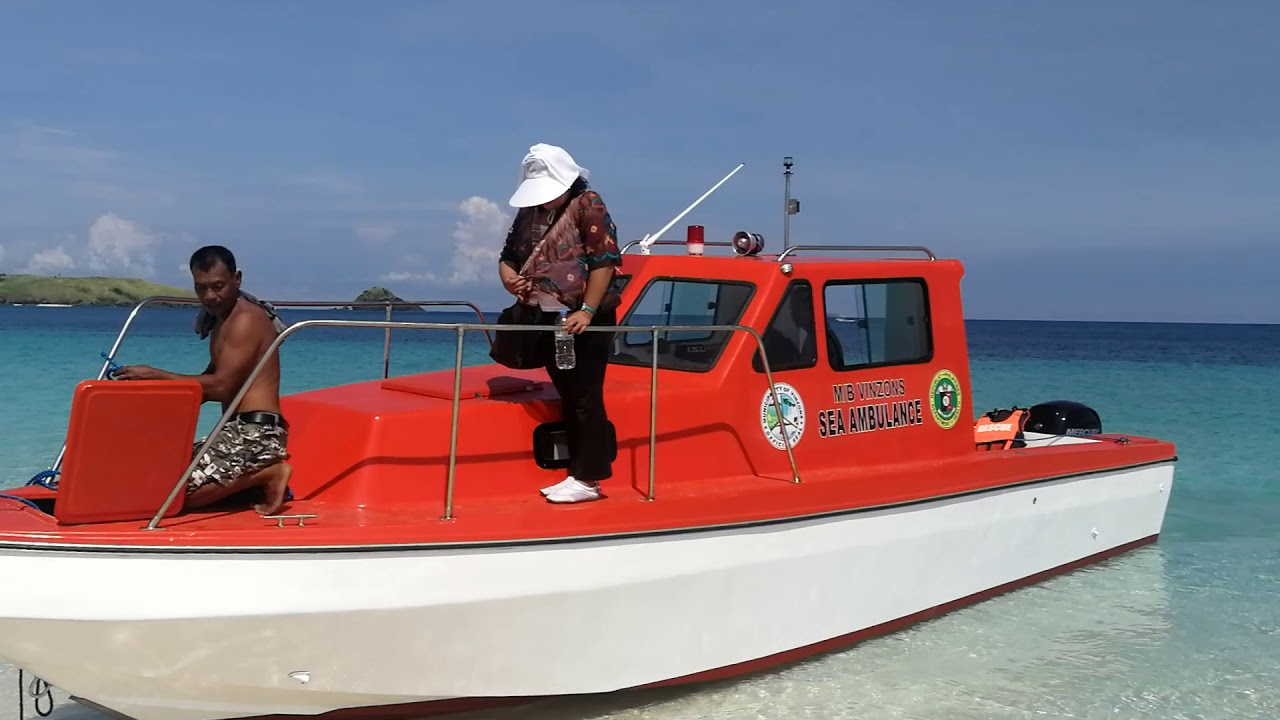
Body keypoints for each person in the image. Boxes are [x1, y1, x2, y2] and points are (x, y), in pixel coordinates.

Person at [112, 245, 293, 515]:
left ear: (237, 279)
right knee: (147, 474)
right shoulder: (221, 321)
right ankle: (244, 483)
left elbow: (220, 387)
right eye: (201, 287)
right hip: (232, 431)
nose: (210, 296)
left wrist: (156, 374)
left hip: (257, 434)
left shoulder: (246, 320)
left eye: (218, 286)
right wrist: (150, 401)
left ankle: (268, 473)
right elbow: (207, 384)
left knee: (169, 497)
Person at [498, 143, 623, 504]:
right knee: (567, 392)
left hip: (584, 316)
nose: (546, 200)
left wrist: (587, 309)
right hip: (546, 314)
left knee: (585, 394)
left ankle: (589, 478)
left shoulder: (589, 204)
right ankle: (576, 473)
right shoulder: (528, 211)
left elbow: (604, 260)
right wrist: (509, 278)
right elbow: (508, 255)